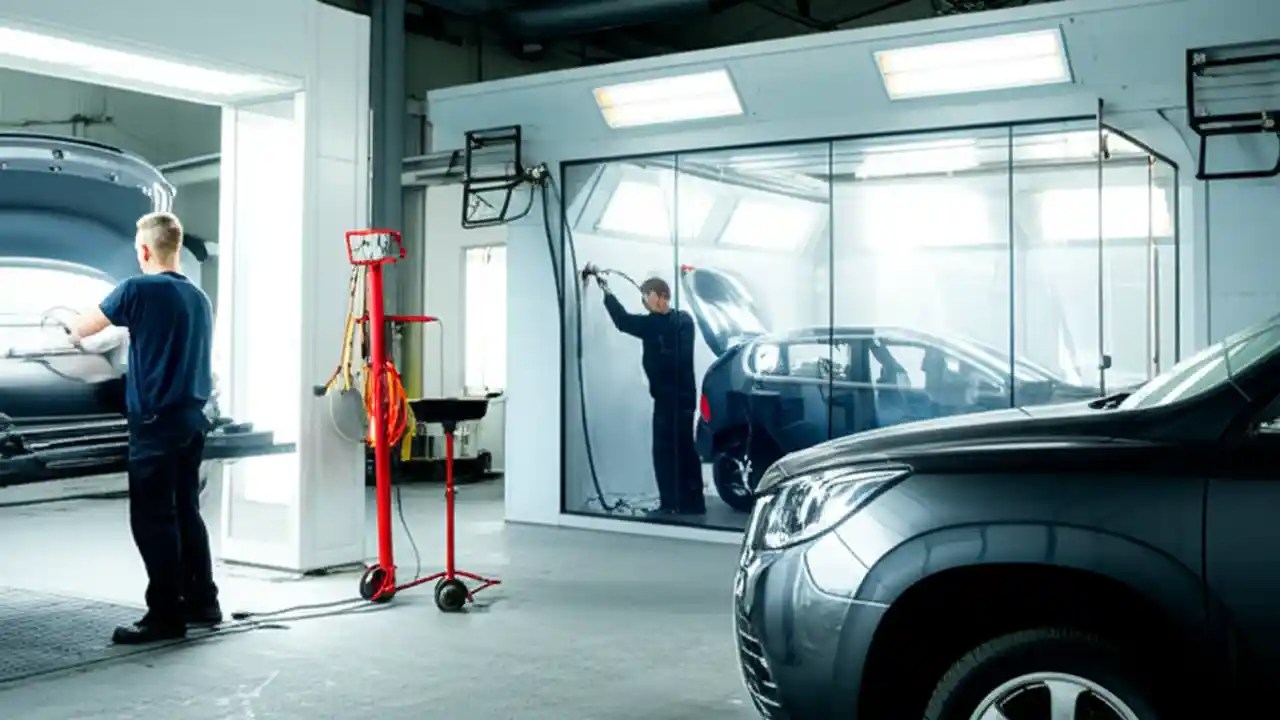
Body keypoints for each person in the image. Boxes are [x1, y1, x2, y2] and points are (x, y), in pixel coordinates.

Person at [66, 211, 221, 644]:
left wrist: (69, 329)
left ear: (145, 250)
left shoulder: (137, 289)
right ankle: (203, 602)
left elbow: (83, 327)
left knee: (153, 520)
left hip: (155, 424)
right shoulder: (198, 298)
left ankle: (164, 617)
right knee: (186, 511)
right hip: (192, 420)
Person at [593, 272, 706, 516]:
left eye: (648, 295)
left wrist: (607, 291)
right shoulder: (664, 323)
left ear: (662, 296)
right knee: (676, 450)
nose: (645, 299)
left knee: (673, 451)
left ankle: (680, 504)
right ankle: (682, 503)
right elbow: (623, 321)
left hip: (676, 400)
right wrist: (607, 291)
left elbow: (626, 322)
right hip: (672, 399)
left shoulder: (678, 322)